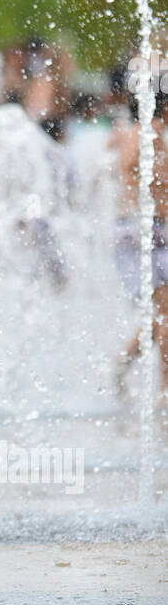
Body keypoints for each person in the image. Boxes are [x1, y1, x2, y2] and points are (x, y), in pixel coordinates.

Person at [112, 89, 168, 393]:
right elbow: (156, 189)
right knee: (165, 313)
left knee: (159, 313)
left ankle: (120, 368)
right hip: (146, 231)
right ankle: (163, 390)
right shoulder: (150, 136)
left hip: (133, 229)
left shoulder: (134, 134)